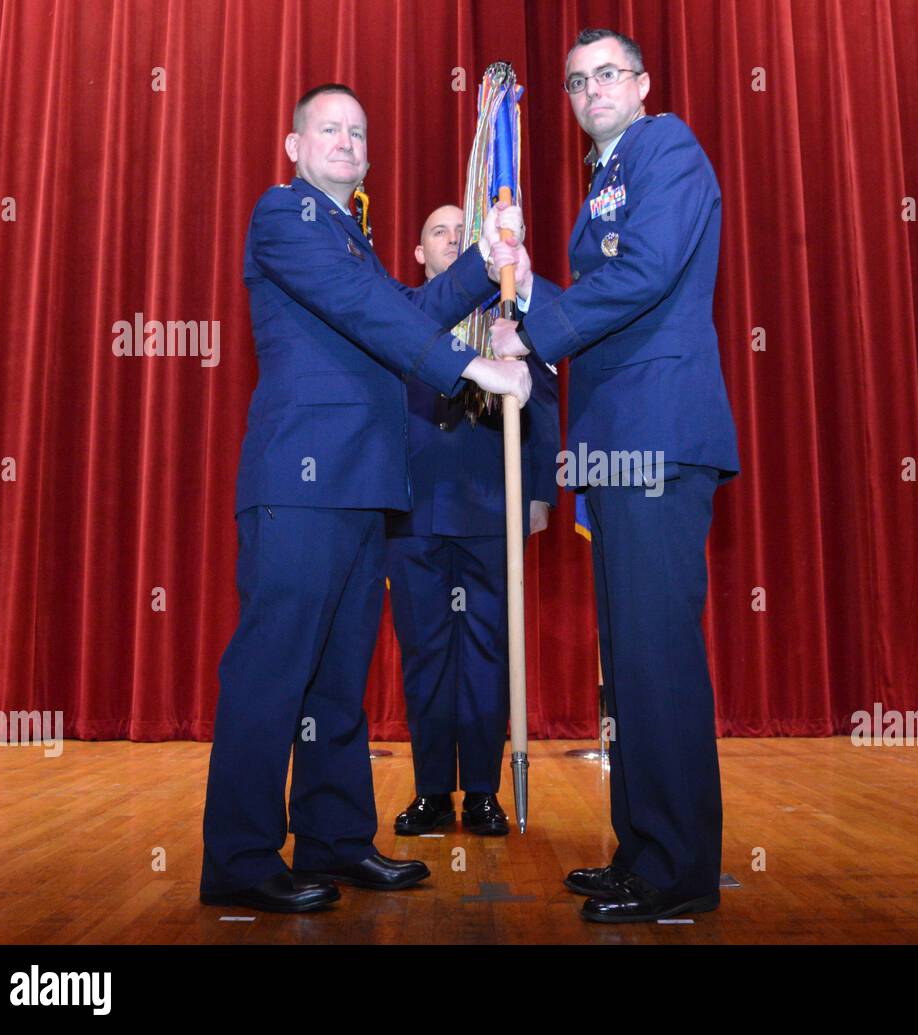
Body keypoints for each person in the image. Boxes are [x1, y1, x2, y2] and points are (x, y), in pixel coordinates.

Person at [200, 83, 531, 913]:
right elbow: (367, 313)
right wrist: (471, 366)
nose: (346, 142)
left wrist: (483, 269)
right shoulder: (284, 218)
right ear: (294, 145)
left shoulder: (352, 242)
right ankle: (240, 858)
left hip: (363, 491)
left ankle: (335, 836)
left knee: (338, 678)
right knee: (271, 673)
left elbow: (402, 309)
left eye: (358, 132)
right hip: (300, 487)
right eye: (329, 129)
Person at [490, 29, 740, 923]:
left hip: (659, 432)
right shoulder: (606, 177)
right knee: (630, 663)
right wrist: (523, 293)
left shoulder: (666, 145)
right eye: (575, 81)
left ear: (640, 83)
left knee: (658, 659)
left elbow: (645, 275)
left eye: (607, 74)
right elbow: (602, 303)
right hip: (616, 440)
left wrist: (536, 327)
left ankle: (678, 873)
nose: (590, 90)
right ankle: (642, 849)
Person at [387, 204, 559, 838]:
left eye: (465, 235)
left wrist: (539, 491)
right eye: (440, 233)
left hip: (491, 505)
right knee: (426, 656)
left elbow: (542, 398)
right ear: (418, 251)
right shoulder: (397, 312)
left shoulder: (509, 319)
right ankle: (433, 790)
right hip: (413, 512)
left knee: (489, 652)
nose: (454, 243)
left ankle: (483, 791)